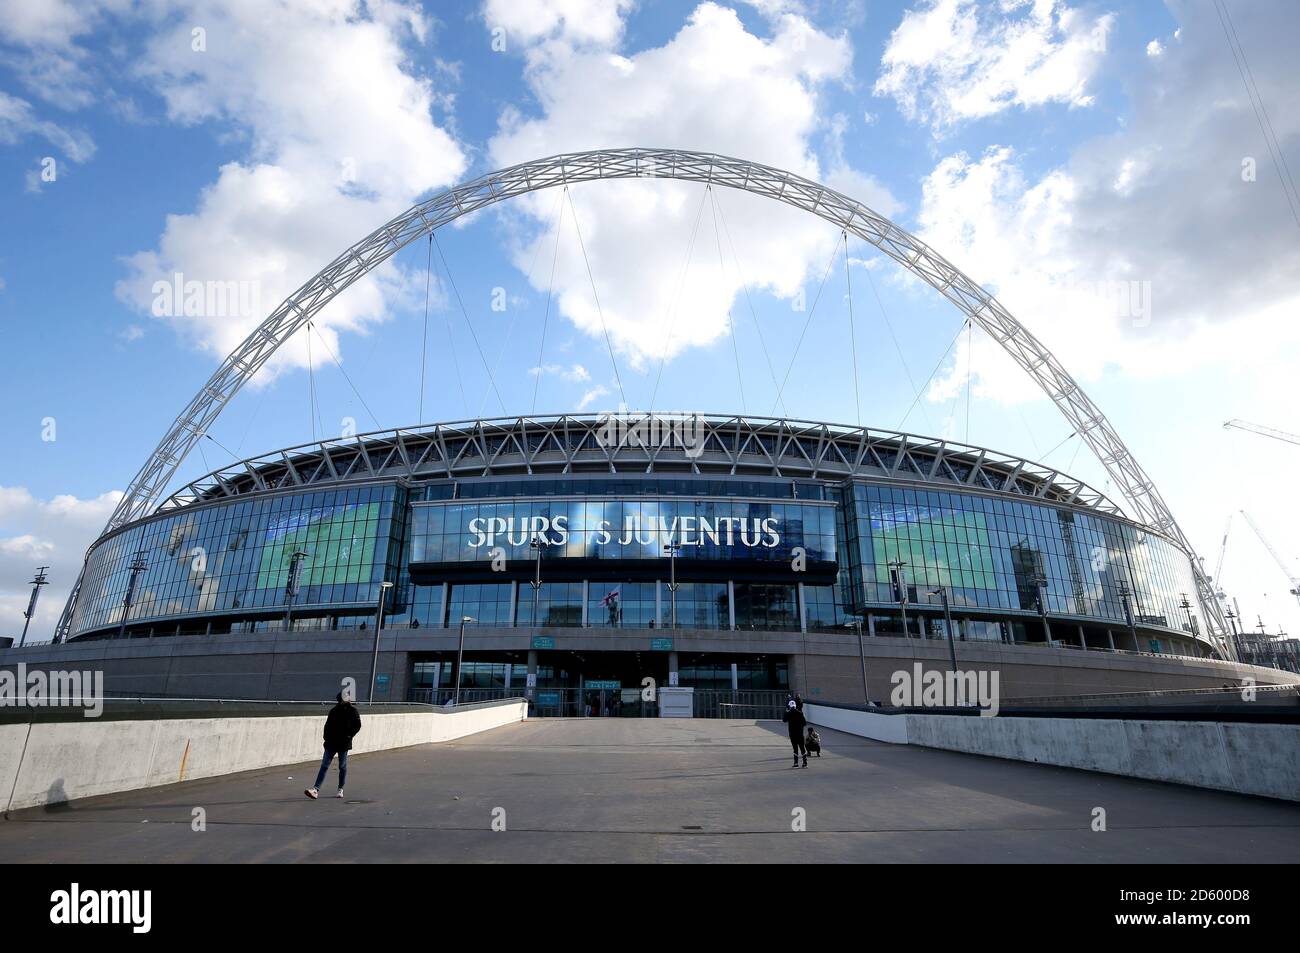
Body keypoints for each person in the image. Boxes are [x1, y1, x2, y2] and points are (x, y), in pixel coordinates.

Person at [305, 691, 362, 799]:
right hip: (331, 743)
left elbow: (358, 725)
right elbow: (327, 726)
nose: (350, 698)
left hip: (344, 744)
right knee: (324, 765)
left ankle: (340, 789)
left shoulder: (353, 711)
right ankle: (315, 790)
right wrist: (326, 739)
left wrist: (349, 736)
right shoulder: (334, 711)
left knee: (342, 766)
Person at [782, 696, 808, 768]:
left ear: (789, 706)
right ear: (795, 706)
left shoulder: (788, 713)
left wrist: (786, 711)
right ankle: (805, 763)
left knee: (795, 748)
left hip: (792, 734)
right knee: (802, 748)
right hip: (800, 733)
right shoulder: (800, 713)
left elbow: (784, 720)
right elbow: (805, 723)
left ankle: (796, 763)